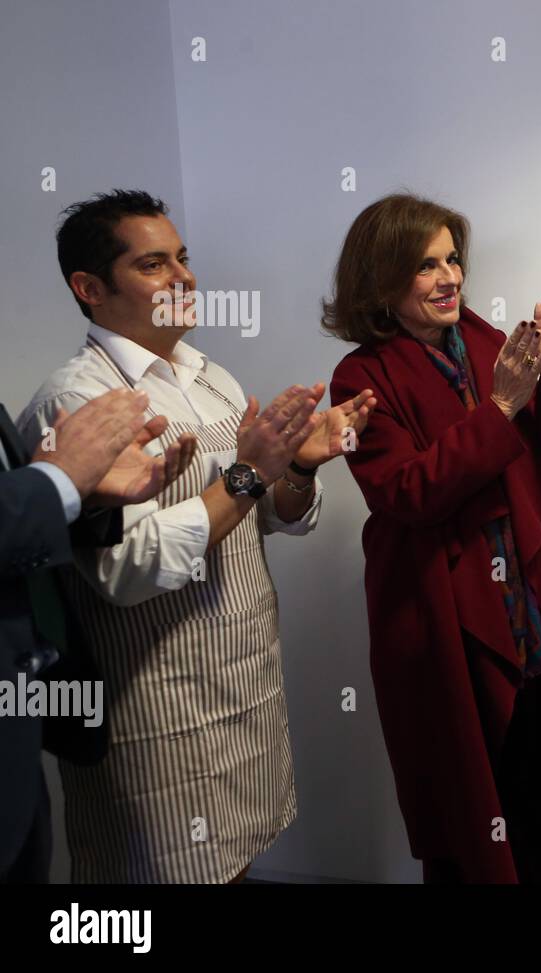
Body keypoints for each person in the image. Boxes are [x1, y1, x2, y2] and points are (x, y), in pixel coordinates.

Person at [17, 189, 376, 883]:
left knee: (234, 862)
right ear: (89, 287)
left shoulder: (210, 378)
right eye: (153, 265)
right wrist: (243, 473)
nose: (184, 279)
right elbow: (121, 572)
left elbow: (272, 512)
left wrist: (297, 464)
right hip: (154, 705)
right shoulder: (78, 403)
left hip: (239, 680)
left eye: (183, 258)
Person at [326, 193, 541, 884]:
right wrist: (499, 407)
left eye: (453, 258)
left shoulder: (498, 344)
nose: (450, 277)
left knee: (531, 807)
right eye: (426, 265)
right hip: (445, 625)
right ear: (382, 278)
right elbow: (406, 492)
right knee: (467, 830)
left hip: (527, 615)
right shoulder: (360, 377)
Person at [2, 386, 195, 882]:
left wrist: (82, 496)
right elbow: (129, 572)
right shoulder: (69, 393)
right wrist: (247, 479)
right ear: (91, 299)